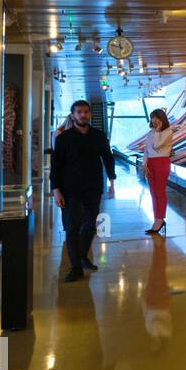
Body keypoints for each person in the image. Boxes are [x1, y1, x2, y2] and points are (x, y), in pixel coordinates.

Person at [50, 100, 115, 282]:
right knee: (72, 228)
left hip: (93, 188)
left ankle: (82, 255)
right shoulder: (63, 138)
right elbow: (56, 165)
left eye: (86, 112)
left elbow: (108, 158)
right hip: (69, 189)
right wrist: (56, 189)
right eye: (79, 112)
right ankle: (76, 267)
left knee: (90, 225)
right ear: (73, 115)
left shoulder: (98, 136)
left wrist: (112, 181)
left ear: (89, 114)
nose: (83, 115)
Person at [141, 108, 172, 235]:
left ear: (162, 119)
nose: (154, 120)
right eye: (152, 117)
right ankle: (156, 219)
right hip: (151, 163)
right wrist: (144, 164)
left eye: (157, 117)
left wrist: (158, 131)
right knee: (153, 193)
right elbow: (147, 150)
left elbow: (157, 146)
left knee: (160, 192)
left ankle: (160, 220)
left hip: (161, 162)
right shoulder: (150, 132)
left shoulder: (167, 132)